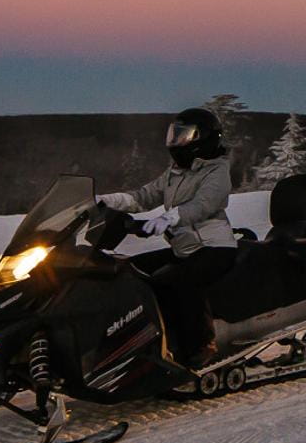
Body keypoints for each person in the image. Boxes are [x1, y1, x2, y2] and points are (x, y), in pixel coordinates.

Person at [98, 107, 238, 365]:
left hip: (215, 248)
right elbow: (145, 196)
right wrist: (106, 201)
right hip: (185, 249)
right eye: (175, 135)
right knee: (132, 271)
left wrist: (169, 218)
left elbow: (203, 205)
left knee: (178, 281)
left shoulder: (217, 172)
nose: (176, 142)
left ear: (203, 138)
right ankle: (147, 339)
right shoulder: (175, 173)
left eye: (183, 136)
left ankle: (201, 346)